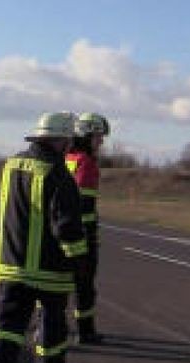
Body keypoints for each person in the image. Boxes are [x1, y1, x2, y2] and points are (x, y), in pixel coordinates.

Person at [0, 112, 91, 363]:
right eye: (68, 140)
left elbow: (0, 212)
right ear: (62, 140)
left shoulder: (10, 166)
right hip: (48, 268)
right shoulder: (56, 172)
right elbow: (66, 226)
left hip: (11, 262)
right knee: (53, 319)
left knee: (7, 320)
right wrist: (79, 261)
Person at [66, 112, 111, 343]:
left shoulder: (65, 157)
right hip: (80, 237)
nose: (101, 142)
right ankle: (85, 331)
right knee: (84, 286)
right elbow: (84, 205)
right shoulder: (86, 163)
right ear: (85, 136)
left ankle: (48, 329)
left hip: (58, 232)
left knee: (57, 285)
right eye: (97, 136)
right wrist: (88, 237)